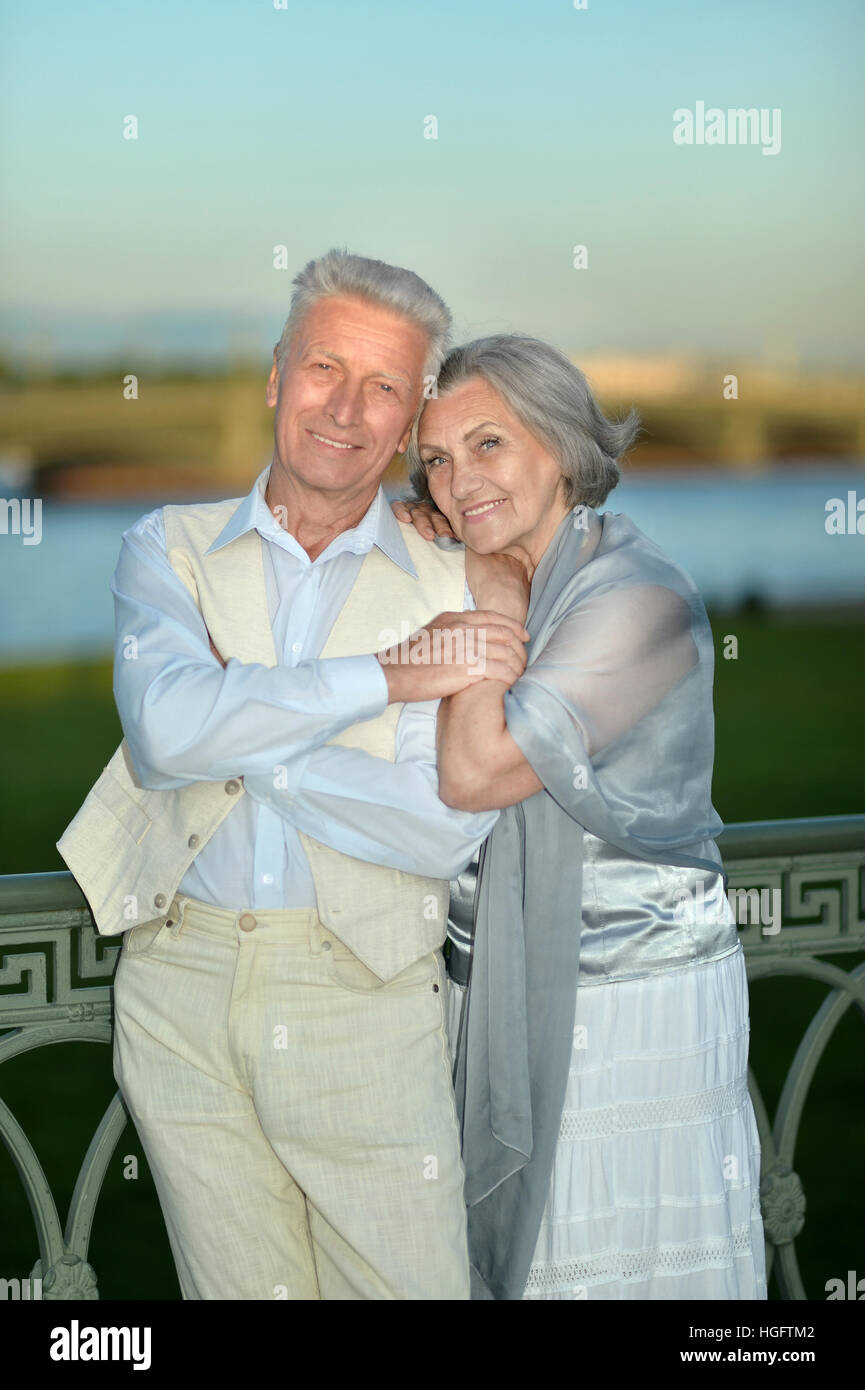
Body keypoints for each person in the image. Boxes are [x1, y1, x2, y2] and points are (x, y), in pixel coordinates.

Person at [56, 251, 536, 1300]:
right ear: (278, 376)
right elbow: (164, 735)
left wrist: (237, 724)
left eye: (384, 386)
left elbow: (442, 823)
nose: (346, 409)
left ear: (410, 422)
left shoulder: (458, 577)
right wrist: (388, 676)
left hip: (367, 998)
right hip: (178, 990)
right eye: (325, 368)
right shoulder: (166, 547)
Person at [394, 333, 768, 1301]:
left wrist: (486, 598)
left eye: (487, 444)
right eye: (437, 460)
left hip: (629, 1005)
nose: (459, 482)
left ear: (560, 445)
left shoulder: (639, 598)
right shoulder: (473, 571)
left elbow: (476, 771)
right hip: (485, 990)